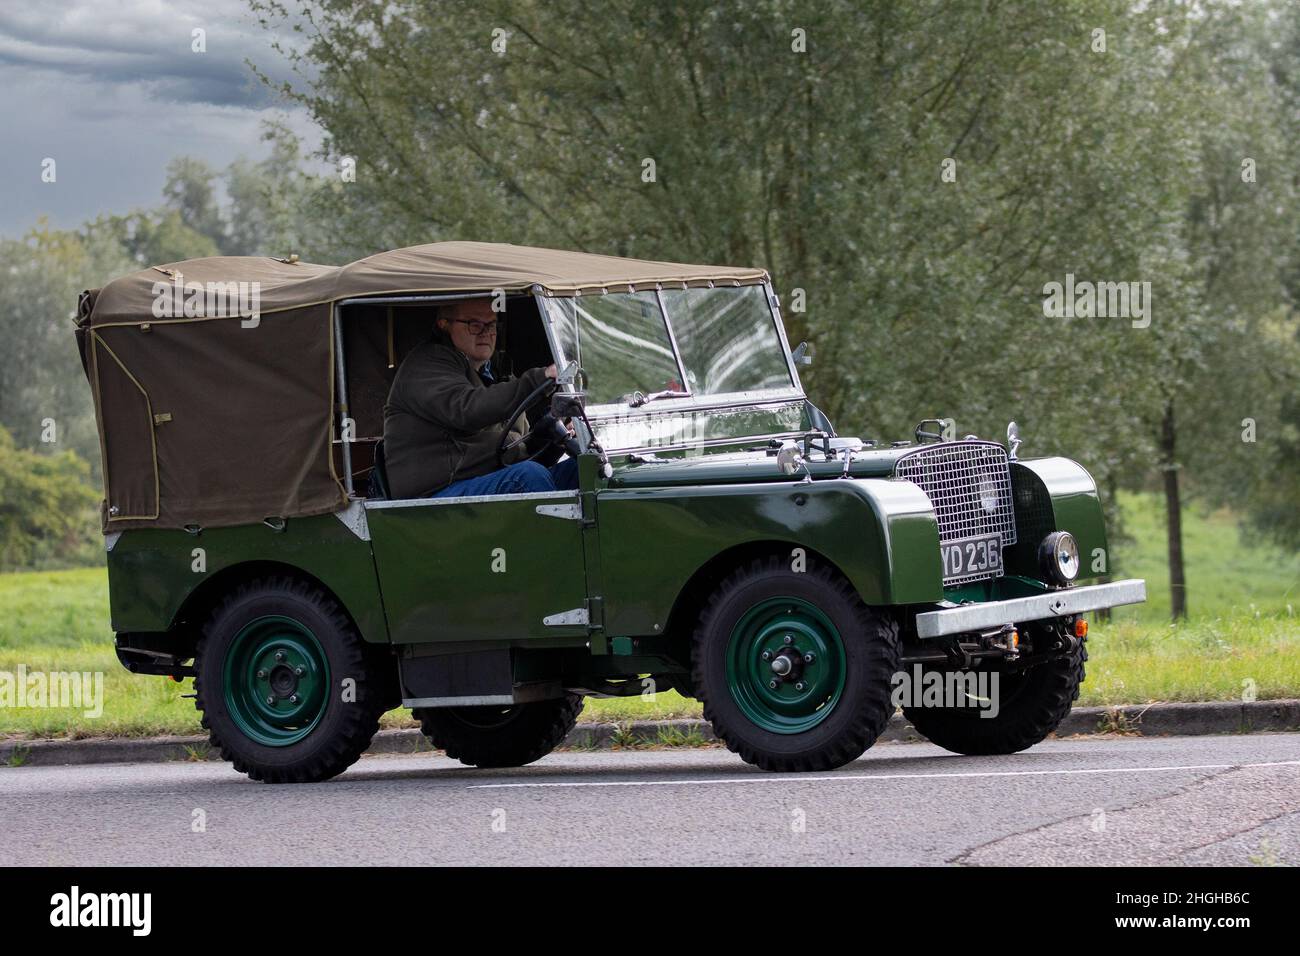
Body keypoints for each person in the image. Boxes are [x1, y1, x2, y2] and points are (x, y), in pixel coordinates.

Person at [382, 298, 579, 499]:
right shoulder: (426, 365)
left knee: (583, 471)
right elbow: (467, 409)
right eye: (475, 325)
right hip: (438, 492)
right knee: (526, 477)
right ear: (444, 324)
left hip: (489, 478)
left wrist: (553, 440)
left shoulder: (495, 371)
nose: (486, 332)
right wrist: (538, 379)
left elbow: (517, 451)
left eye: (491, 324)